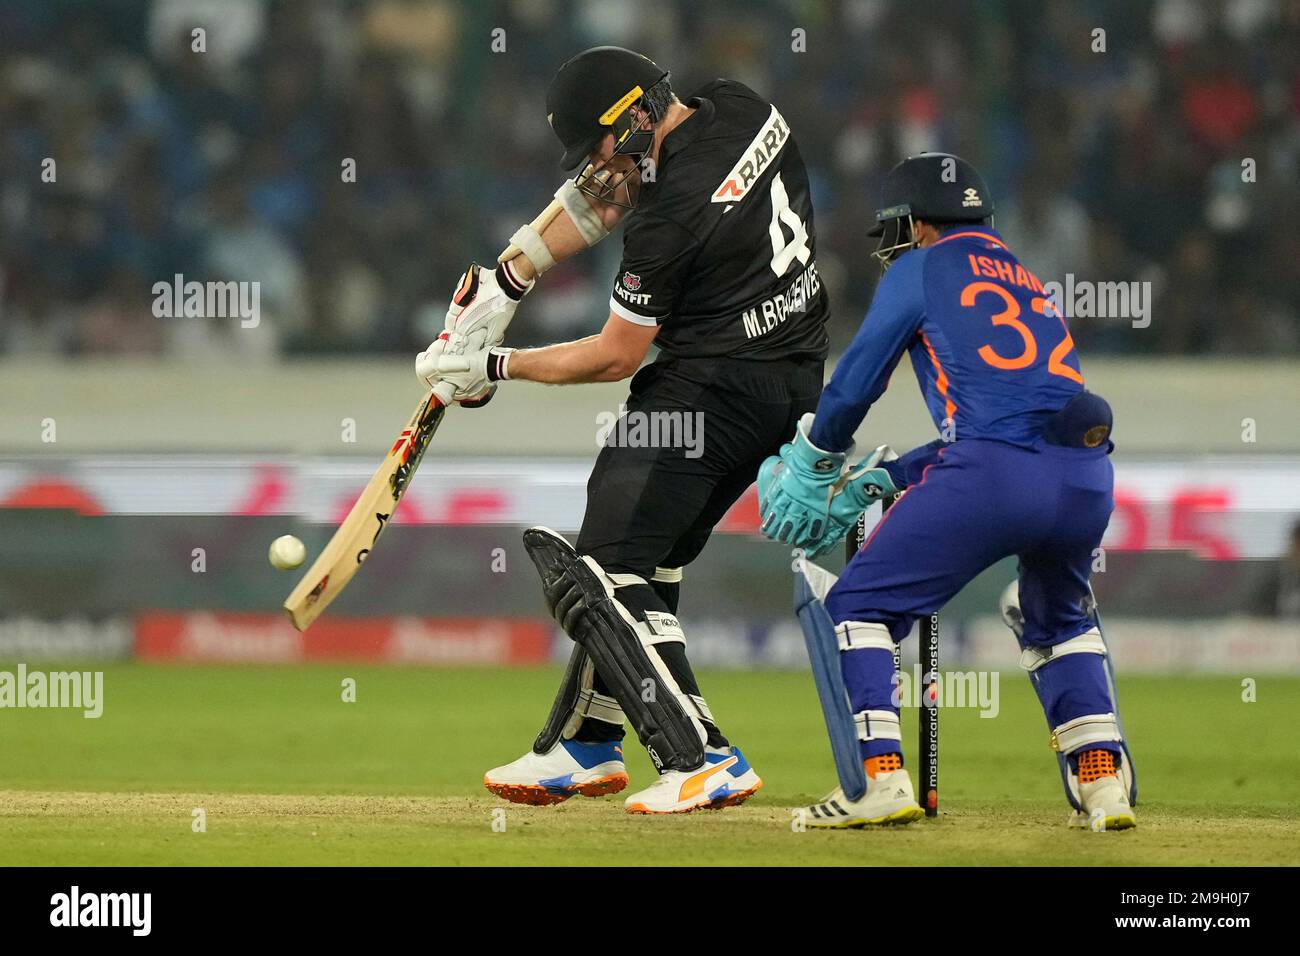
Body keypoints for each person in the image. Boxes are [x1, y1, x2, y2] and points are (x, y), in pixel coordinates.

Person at [418, 47, 829, 813]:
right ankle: (587, 740)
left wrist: (494, 367)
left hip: (712, 389)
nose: (596, 166)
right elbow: (603, 197)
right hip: (794, 371)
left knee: (604, 562)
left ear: (637, 113)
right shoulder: (740, 106)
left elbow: (614, 356)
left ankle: (703, 755)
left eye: (599, 146)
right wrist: (508, 280)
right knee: (647, 551)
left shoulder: (670, 219)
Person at [758, 153, 1137, 830]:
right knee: (1060, 622)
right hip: (1084, 477)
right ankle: (1103, 784)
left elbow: (857, 380)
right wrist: (886, 478)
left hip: (994, 477)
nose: (890, 247)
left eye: (896, 231)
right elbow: (1018, 424)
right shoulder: (1024, 279)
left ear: (919, 224)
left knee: (861, 605)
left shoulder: (922, 267)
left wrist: (818, 457)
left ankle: (881, 779)